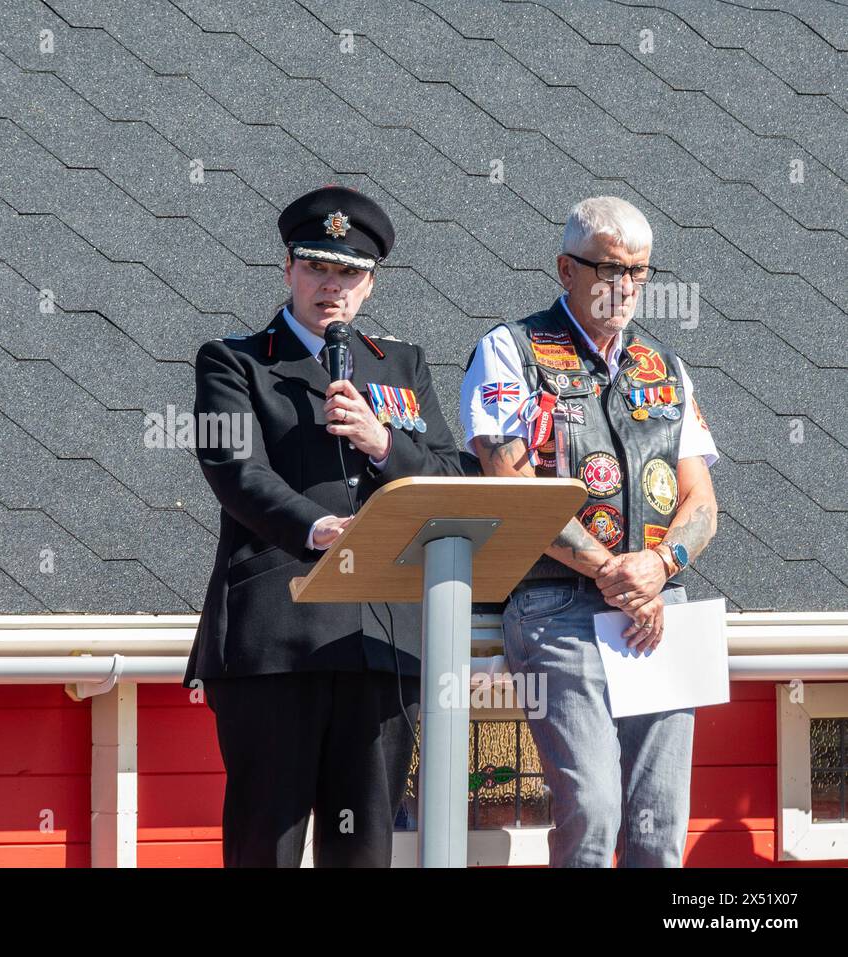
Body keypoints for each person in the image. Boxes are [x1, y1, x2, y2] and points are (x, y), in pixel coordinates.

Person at [183, 185, 463, 867]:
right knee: (266, 846)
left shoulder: (403, 364)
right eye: (316, 267)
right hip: (279, 638)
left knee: (362, 849)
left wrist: (381, 442)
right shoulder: (235, 361)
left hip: (378, 642)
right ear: (287, 269)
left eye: (348, 273)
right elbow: (236, 472)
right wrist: (321, 529)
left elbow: (454, 476)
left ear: (370, 284)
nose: (330, 286)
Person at [460, 196, 719, 867]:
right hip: (557, 606)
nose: (625, 286)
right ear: (566, 269)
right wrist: (612, 569)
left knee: (660, 829)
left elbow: (703, 502)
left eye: (638, 271)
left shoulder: (665, 368)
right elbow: (511, 487)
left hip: (659, 610)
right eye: (608, 269)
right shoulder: (509, 351)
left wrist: (658, 567)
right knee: (595, 814)